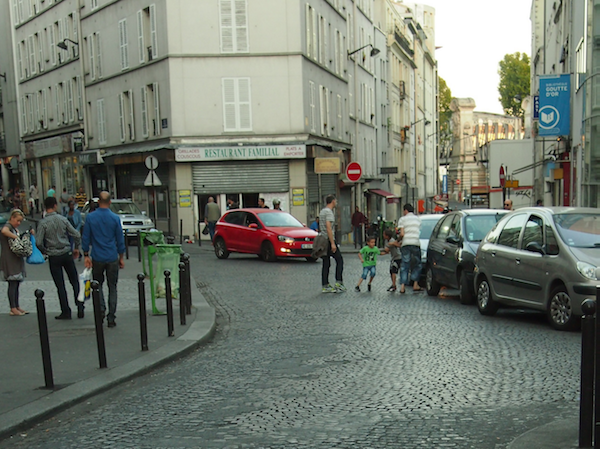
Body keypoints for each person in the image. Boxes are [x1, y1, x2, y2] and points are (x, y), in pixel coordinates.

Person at [82, 191, 125, 328]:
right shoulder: (115, 218)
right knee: (113, 287)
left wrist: (86, 255)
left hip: (98, 257)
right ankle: (111, 317)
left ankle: (101, 309)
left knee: (98, 284)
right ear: (110, 202)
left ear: (98, 202)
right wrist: (121, 257)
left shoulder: (91, 218)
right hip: (112, 256)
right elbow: (120, 239)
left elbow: (86, 237)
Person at [37, 197, 83, 320]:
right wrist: (76, 248)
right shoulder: (63, 219)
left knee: (60, 285)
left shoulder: (43, 223)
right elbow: (76, 234)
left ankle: (66, 311)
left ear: (45, 207)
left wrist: (45, 251)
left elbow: (38, 242)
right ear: (55, 205)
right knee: (74, 281)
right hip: (66, 253)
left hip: (53, 255)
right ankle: (80, 306)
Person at [0, 209, 29, 316]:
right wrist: (16, 237)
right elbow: (4, 231)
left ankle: (16, 306)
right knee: (12, 283)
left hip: (15, 259)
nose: (19, 223)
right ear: (12, 218)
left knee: (16, 283)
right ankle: (13, 307)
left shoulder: (13, 228)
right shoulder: (8, 226)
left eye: (20, 221)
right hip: (9, 259)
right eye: (17, 220)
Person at [319, 194, 345, 293]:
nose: (337, 202)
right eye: (336, 201)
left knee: (326, 263)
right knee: (339, 260)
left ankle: (325, 284)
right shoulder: (329, 212)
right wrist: (333, 243)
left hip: (323, 241)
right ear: (333, 201)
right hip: (329, 241)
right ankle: (339, 282)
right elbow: (328, 227)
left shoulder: (322, 211)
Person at [397, 204, 422, 294]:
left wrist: (398, 240)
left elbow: (402, 234)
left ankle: (403, 287)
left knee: (405, 264)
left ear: (405, 210)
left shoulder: (402, 219)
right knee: (417, 264)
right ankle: (415, 284)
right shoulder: (418, 219)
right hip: (415, 243)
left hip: (406, 244)